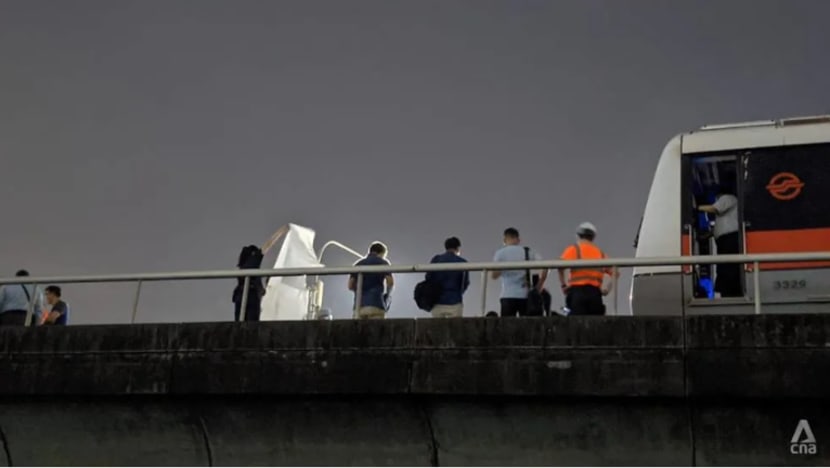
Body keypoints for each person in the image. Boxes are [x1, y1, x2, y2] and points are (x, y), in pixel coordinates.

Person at [557, 222, 618, 316]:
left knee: (576, 325)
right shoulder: (600, 253)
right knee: (595, 325)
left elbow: (560, 266)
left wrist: (563, 285)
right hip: (595, 294)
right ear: (593, 237)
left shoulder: (574, 249)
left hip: (577, 293)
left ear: (578, 235)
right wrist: (607, 289)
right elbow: (615, 272)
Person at [491, 227, 547, 317]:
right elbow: (545, 266)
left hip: (507, 295)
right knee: (526, 327)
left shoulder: (500, 253)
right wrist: (540, 284)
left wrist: (504, 267)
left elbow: (493, 276)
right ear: (518, 239)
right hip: (525, 296)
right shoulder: (527, 252)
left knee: (507, 327)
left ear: (505, 239)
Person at [697, 186, 742, 297]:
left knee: (728, 268)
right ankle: (727, 291)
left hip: (730, 240)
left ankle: (730, 292)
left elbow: (715, 208)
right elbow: (720, 226)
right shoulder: (729, 206)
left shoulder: (727, 198)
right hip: (726, 240)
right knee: (724, 266)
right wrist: (706, 236)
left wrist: (697, 208)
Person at [425, 237, 470, 318]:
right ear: (457, 248)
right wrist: (459, 293)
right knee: (455, 329)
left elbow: (428, 278)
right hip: (455, 301)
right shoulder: (462, 262)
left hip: (437, 301)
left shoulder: (436, 260)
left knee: (437, 329)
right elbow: (465, 283)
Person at [348, 242, 394, 319]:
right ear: (382, 253)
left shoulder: (358, 264)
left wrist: (359, 291)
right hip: (376, 304)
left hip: (359, 306)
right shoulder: (383, 263)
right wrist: (387, 295)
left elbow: (350, 285)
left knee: (358, 330)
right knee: (376, 330)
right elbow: (390, 282)